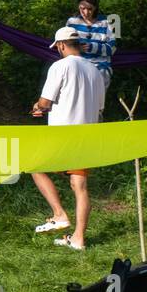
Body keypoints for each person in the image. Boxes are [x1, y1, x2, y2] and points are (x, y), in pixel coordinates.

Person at [30, 26, 106, 250]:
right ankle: (78, 239)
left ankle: (60, 214)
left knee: (34, 166)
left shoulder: (60, 66)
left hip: (63, 135)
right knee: (80, 187)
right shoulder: (96, 71)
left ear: (61, 45)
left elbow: (45, 103)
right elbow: (100, 108)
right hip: (87, 136)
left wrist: (38, 107)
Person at [65, 0, 116, 85]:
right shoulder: (72, 23)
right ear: (78, 6)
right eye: (82, 8)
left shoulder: (106, 23)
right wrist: (77, 49)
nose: (86, 12)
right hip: (77, 65)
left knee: (97, 85)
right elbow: (64, 46)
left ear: (95, 8)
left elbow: (112, 49)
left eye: (90, 9)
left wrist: (92, 47)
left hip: (100, 67)